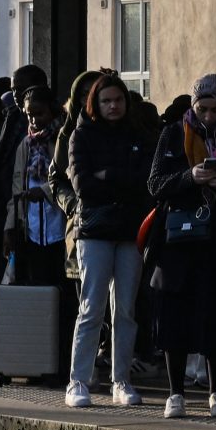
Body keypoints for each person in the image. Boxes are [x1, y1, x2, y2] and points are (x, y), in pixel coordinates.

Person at [145, 74, 216, 416]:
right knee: (175, 315)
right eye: (202, 108)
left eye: (215, 109)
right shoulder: (174, 133)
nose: (208, 116)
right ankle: (175, 393)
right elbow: (155, 183)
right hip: (180, 238)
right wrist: (189, 177)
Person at [65, 72, 148, 407]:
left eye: (118, 100)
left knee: (126, 309)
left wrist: (108, 175)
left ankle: (121, 379)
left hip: (130, 231)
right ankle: (78, 381)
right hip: (95, 231)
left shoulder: (137, 134)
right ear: (95, 104)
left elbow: (144, 180)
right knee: (92, 307)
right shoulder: (81, 136)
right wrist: (117, 175)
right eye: (106, 101)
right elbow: (82, 185)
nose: (113, 106)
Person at [4, 84, 70, 290]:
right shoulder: (26, 143)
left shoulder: (63, 139)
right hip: (32, 228)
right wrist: (10, 226)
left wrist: (43, 191)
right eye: (29, 115)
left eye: (39, 114)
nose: (34, 121)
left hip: (60, 222)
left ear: (52, 110)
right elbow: (17, 186)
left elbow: (67, 179)